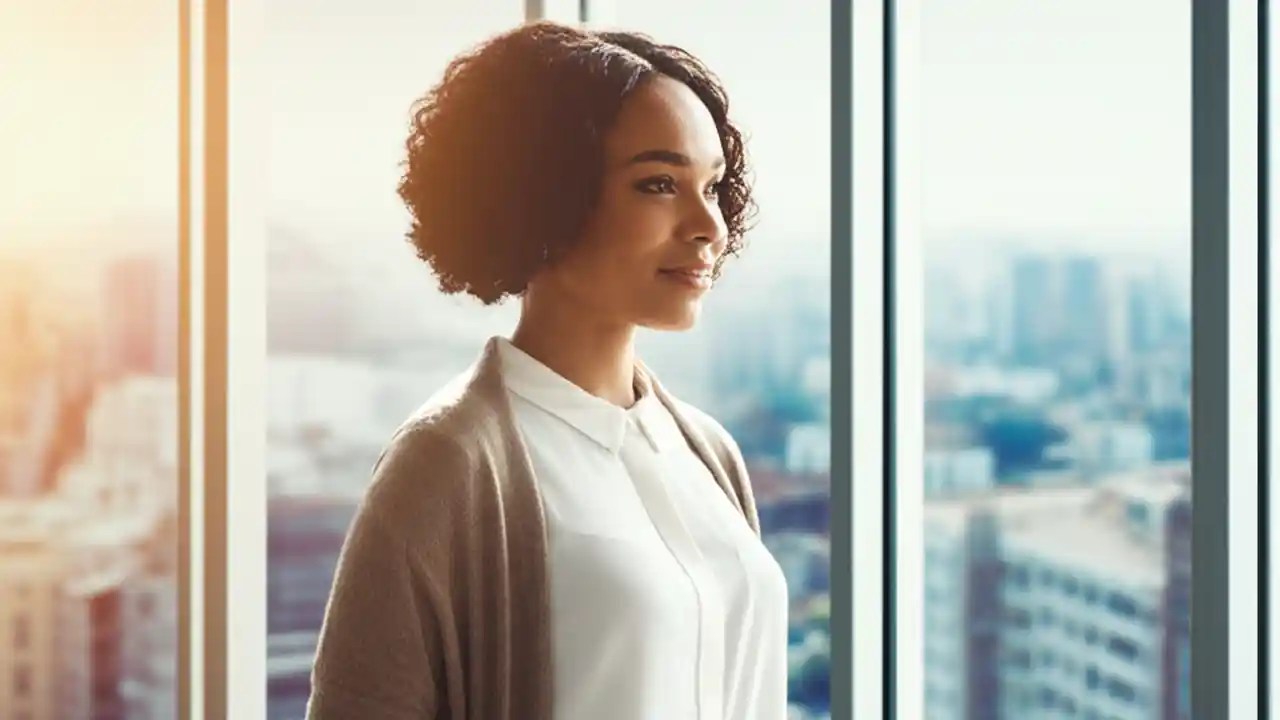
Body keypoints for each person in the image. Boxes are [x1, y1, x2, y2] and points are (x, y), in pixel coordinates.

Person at [306, 19, 789, 720]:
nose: (708, 226)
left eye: (711, 186)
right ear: (544, 196)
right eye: (658, 184)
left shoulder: (708, 453)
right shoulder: (446, 464)